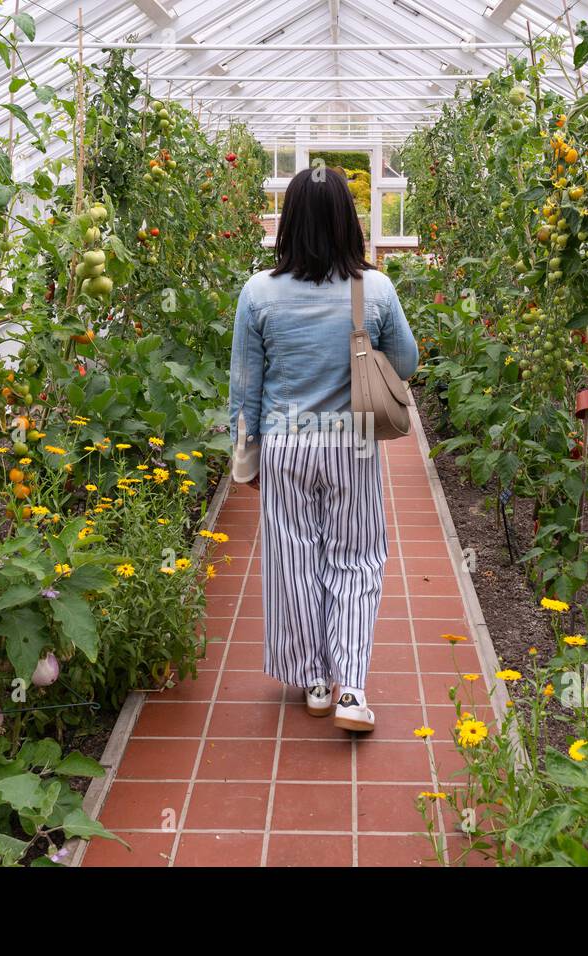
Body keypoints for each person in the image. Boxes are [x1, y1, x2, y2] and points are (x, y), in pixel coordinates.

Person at [228, 165, 418, 732]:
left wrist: (248, 458)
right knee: (356, 559)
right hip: (352, 444)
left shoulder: (258, 292)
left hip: (286, 445)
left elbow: (244, 386)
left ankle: (312, 679)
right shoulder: (374, 288)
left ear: (288, 222)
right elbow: (405, 363)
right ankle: (352, 689)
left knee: (294, 560)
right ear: (347, 222)